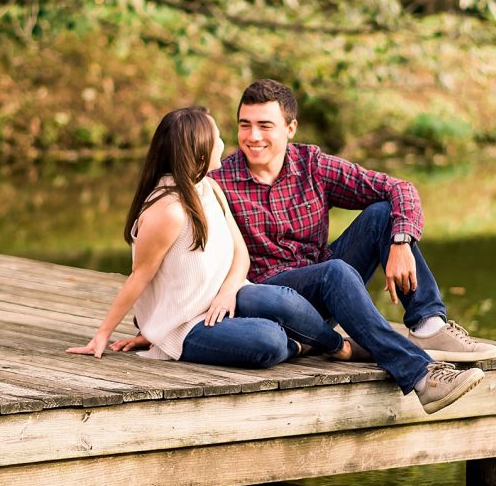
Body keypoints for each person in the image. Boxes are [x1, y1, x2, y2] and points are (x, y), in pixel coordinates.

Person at [209, 80, 496, 414]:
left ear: (290, 128)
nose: (253, 136)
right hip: (270, 300)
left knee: (381, 214)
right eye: (245, 125)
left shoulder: (311, 165)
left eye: (265, 126)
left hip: (323, 291)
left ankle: (428, 326)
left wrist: (401, 241)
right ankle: (421, 377)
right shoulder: (219, 181)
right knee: (333, 272)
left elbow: (399, 188)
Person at [67, 106, 358, 369]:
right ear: (200, 152)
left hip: (222, 302)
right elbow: (139, 277)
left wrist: (228, 291)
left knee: (282, 300)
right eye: (217, 137)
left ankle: (337, 347)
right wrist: (104, 334)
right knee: (269, 339)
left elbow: (240, 253)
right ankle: (301, 345)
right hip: (186, 326)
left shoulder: (209, 188)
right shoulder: (169, 211)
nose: (223, 143)